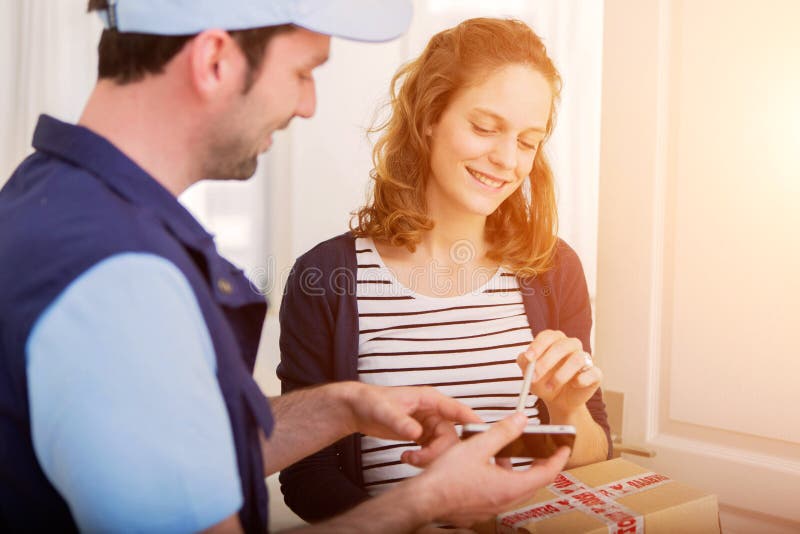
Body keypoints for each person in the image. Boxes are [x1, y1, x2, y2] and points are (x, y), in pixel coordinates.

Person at [0, 2, 573, 533]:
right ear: (214, 59)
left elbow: (168, 435)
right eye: (303, 72)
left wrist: (338, 408)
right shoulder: (121, 277)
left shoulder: (53, 201)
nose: (308, 104)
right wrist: (426, 501)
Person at [277, 17, 612, 523]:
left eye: (527, 141)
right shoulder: (326, 277)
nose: (506, 159)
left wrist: (567, 410)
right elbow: (308, 477)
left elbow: (594, 451)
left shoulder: (552, 268)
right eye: (485, 127)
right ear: (430, 115)